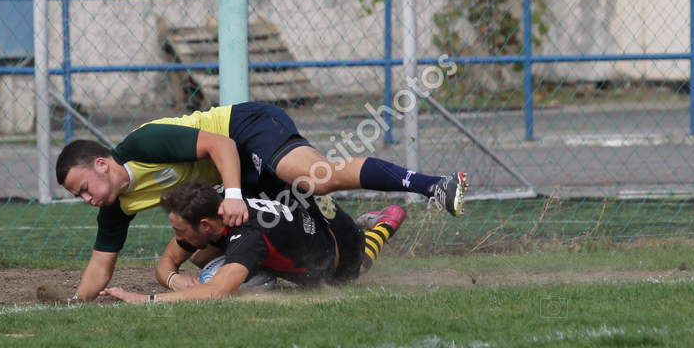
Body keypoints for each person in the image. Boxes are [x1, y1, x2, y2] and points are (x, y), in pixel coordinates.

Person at [57, 101, 465, 300]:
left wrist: (233, 195)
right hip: (240, 178)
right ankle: (352, 233)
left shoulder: (142, 143)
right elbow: (101, 264)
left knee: (315, 177)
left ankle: (434, 185)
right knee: (205, 253)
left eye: (83, 187)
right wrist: (78, 303)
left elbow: (220, 145)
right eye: (79, 195)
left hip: (245, 129)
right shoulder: (115, 206)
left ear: (101, 164)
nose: (85, 198)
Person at [100, 180, 407, 303]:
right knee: (199, 256)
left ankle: (381, 225)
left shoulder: (247, 236)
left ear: (205, 224)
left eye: (180, 232)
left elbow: (216, 291)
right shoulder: (220, 204)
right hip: (309, 221)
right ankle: (358, 225)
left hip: (339, 256)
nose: (177, 239)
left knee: (358, 266)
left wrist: (146, 299)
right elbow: (166, 263)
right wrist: (173, 278)